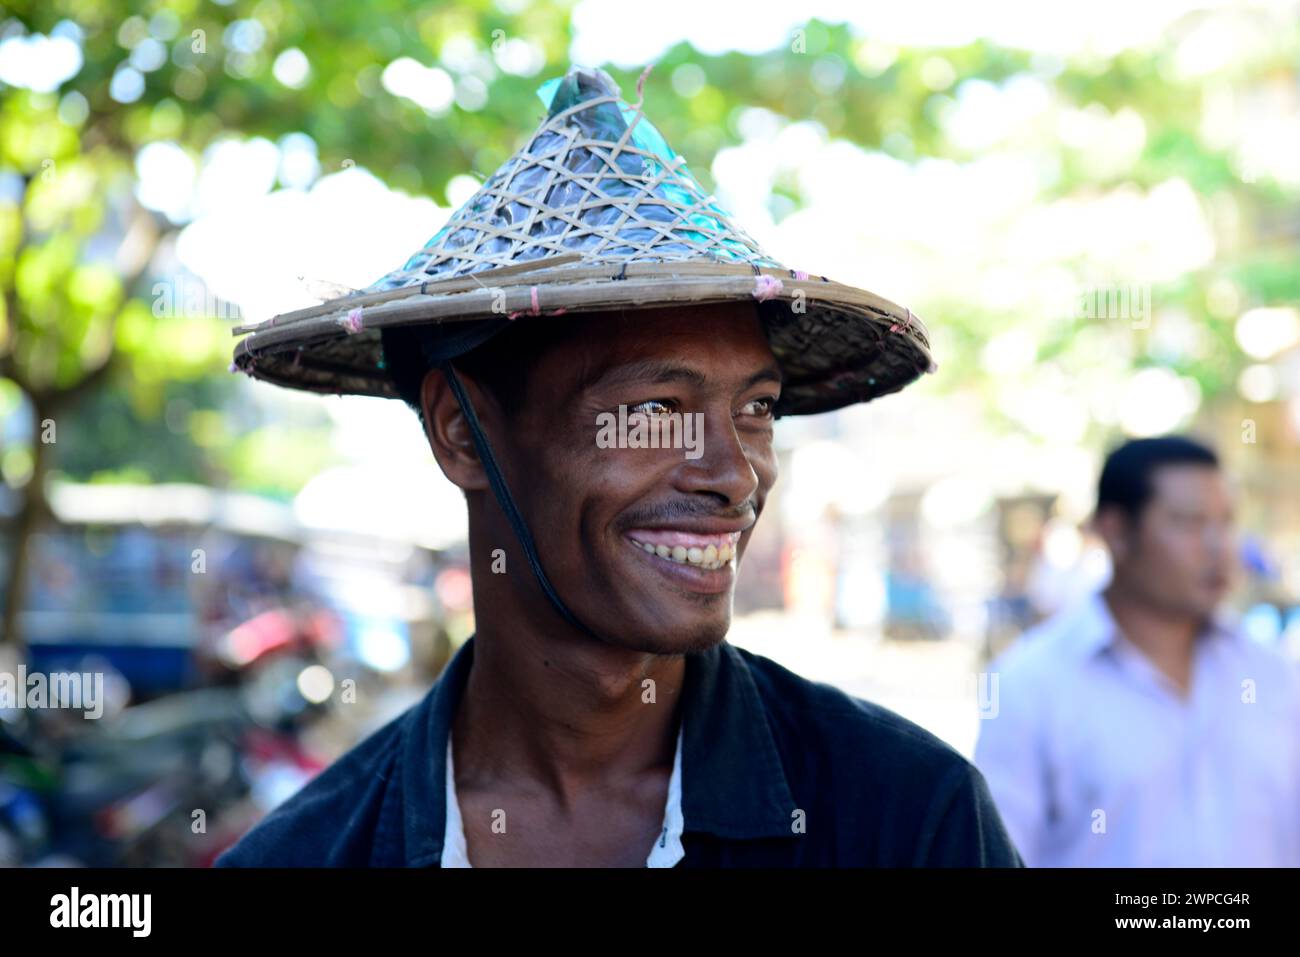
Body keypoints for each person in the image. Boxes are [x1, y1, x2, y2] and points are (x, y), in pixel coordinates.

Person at [216, 64, 1021, 867]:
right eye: (654, 412)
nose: (734, 477)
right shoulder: (310, 853)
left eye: (756, 410)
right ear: (462, 431)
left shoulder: (907, 820)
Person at [974, 435, 1300, 867]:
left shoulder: (1273, 676)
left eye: (1226, 522)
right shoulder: (1029, 686)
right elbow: (1000, 854)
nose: (1220, 546)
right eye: (1189, 523)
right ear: (1116, 531)